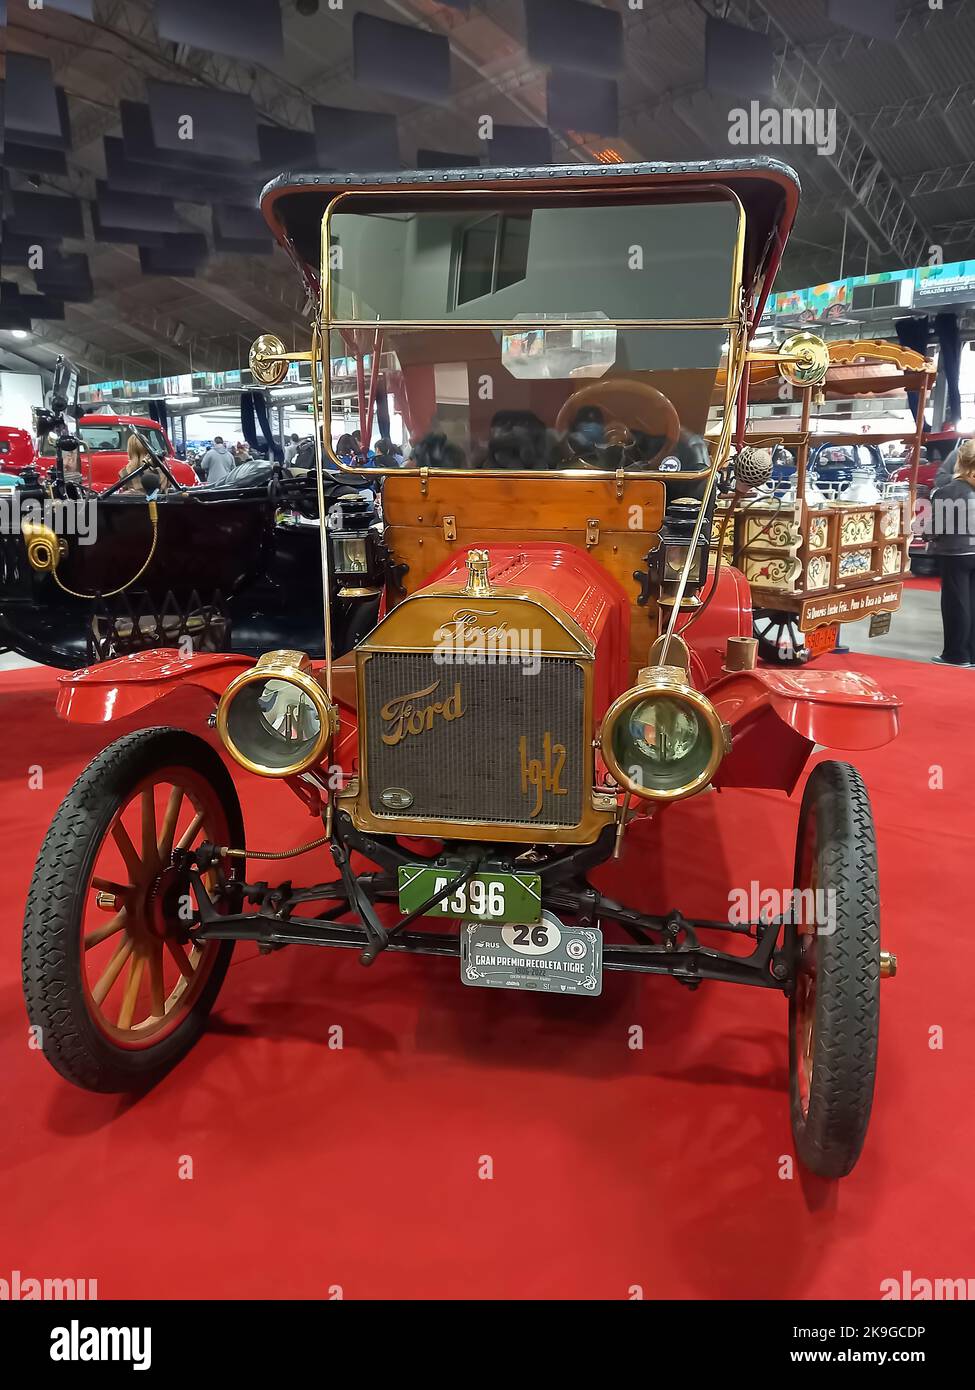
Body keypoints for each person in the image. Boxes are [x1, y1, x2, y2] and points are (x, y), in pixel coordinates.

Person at [929, 439, 975, 665]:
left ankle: (956, 654)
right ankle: (972, 653)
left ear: (960, 461)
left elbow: (934, 528)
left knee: (956, 603)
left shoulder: (949, 491)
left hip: (956, 552)